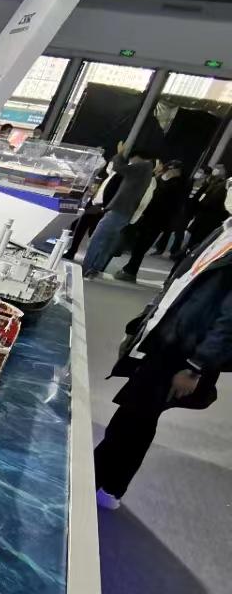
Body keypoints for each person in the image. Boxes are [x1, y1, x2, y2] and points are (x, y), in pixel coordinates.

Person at [95, 201, 232, 508]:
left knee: (134, 418)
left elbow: (228, 323)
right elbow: (180, 283)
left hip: (182, 354)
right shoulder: (222, 231)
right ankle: (111, 487)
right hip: (164, 338)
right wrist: (142, 325)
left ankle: (98, 481)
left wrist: (196, 366)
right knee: (136, 418)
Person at [83, 142, 154, 277]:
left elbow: (118, 167)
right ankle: (95, 269)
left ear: (137, 157)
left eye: (131, 160)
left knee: (97, 240)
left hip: (119, 210)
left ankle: (86, 268)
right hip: (125, 212)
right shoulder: (146, 170)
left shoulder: (142, 166)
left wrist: (120, 153)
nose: (131, 163)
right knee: (106, 243)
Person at [117, 159, 187, 281]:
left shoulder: (178, 185)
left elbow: (170, 204)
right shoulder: (160, 178)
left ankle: (131, 271)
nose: (172, 171)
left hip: (158, 220)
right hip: (146, 216)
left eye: (175, 169)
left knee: (142, 246)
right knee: (138, 245)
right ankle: (130, 268)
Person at [68, 150, 120, 260]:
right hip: (92, 204)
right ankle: (72, 251)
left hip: (101, 208)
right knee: (80, 229)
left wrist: (104, 207)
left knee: (94, 234)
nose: (110, 165)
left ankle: (90, 258)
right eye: (110, 163)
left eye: (113, 163)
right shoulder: (108, 176)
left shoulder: (117, 178)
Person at [155, 164, 207, 258]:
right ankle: (160, 248)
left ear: (205, 175)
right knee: (168, 229)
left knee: (179, 232)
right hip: (179, 209)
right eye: (198, 171)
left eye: (201, 172)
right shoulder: (190, 181)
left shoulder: (205, 186)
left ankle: (174, 251)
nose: (198, 174)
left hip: (188, 212)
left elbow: (199, 200)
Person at [184, 163, 229, 253]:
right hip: (202, 213)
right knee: (192, 234)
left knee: (199, 237)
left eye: (218, 168)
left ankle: (189, 252)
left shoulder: (224, 185)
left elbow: (216, 200)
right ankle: (186, 250)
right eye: (215, 168)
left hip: (211, 216)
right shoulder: (212, 181)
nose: (215, 170)